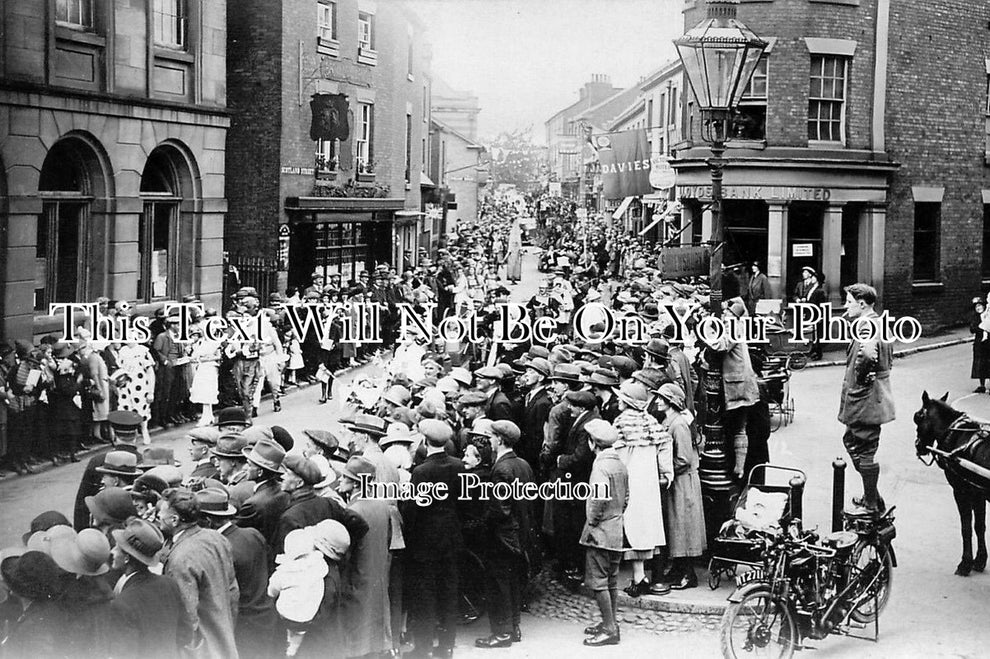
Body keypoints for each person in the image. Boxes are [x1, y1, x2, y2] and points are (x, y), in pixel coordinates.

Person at [403, 419, 465, 658]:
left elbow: (412, 510)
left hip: (425, 543)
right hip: (451, 538)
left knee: (424, 596)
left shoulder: (420, 472)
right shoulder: (459, 466)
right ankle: (447, 646)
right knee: (449, 592)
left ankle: (423, 648)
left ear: (425, 442)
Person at [157, 487, 240, 659]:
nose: (157, 516)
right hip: (224, 636)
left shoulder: (180, 559)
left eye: (161, 513)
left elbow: (188, 618)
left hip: (203, 648)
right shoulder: (216, 538)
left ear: (174, 520)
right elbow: (233, 591)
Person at [197, 486, 278, 659]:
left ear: (208, 520)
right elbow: (270, 567)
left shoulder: (221, 549)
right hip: (266, 616)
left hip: (243, 625)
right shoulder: (253, 534)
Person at [475, 420, 534, 649]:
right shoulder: (523, 465)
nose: (488, 441)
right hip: (518, 535)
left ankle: (501, 633)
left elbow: (500, 509)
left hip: (501, 537)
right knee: (511, 583)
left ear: (499, 440)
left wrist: (481, 522)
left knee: (498, 585)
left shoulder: (501, 469)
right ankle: (514, 627)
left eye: (490, 438)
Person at [839, 283, 895, 513]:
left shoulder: (867, 324)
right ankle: (872, 496)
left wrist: (861, 382)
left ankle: (871, 503)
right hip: (873, 396)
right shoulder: (878, 322)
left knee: (863, 447)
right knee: (855, 442)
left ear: (862, 304)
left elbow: (868, 354)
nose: (845, 306)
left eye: (849, 302)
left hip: (866, 398)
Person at [109, 517, 192, 658]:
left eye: (117, 547)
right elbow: (185, 635)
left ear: (127, 558)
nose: (112, 551)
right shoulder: (169, 584)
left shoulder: (122, 603)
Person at [337, 455, 393, 659]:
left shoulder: (351, 511)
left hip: (355, 580)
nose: (340, 481)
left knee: (355, 638)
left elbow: (345, 553)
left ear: (354, 483)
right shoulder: (382, 506)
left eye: (344, 478)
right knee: (373, 634)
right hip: (377, 577)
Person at [579, 418, 628, 647]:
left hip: (600, 534)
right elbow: (626, 498)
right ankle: (611, 623)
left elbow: (596, 500)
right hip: (617, 531)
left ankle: (609, 629)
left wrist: (592, 521)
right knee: (611, 581)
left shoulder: (600, 466)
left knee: (598, 582)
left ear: (592, 443)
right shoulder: (619, 464)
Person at [654, 383, 706, 590]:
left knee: (683, 527)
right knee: (676, 528)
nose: (657, 401)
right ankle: (678, 569)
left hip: (683, 482)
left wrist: (664, 470)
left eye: (661, 398)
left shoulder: (678, 425)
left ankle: (688, 574)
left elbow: (683, 459)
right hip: (677, 481)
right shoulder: (670, 421)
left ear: (671, 402)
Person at [73, 410, 142, 530]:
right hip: (138, 530)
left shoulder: (97, 461)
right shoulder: (145, 461)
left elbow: (83, 503)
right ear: (136, 434)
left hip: (103, 530)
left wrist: (83, 534)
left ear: (113, 434)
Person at [970, 297, 990, 392]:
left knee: (988, 363)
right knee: (980, 364)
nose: (978, 308)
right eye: (976, 307)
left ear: (984, 306)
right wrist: (982, 326)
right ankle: (982, 385)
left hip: (988, 343)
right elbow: (972, 329)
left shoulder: (988, 316)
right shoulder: (976, 318)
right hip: (979, 344)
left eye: (979, 305)